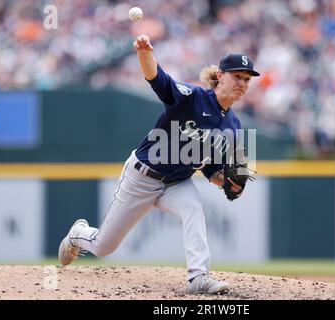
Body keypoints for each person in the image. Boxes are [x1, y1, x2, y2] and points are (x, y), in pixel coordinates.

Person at [58, 34, 260, 294]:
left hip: (178, 183)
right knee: (104, 246)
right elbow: (159, 80)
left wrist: (231, 184)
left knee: (193, 210)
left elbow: (211, 170)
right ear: (220, 76)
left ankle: (198, 277)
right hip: (142, 177)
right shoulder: (193, 98)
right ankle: (78, 234)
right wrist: (144, 53)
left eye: (247, 79)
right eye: (237, 76)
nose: (243, 83)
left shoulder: (234, 125)